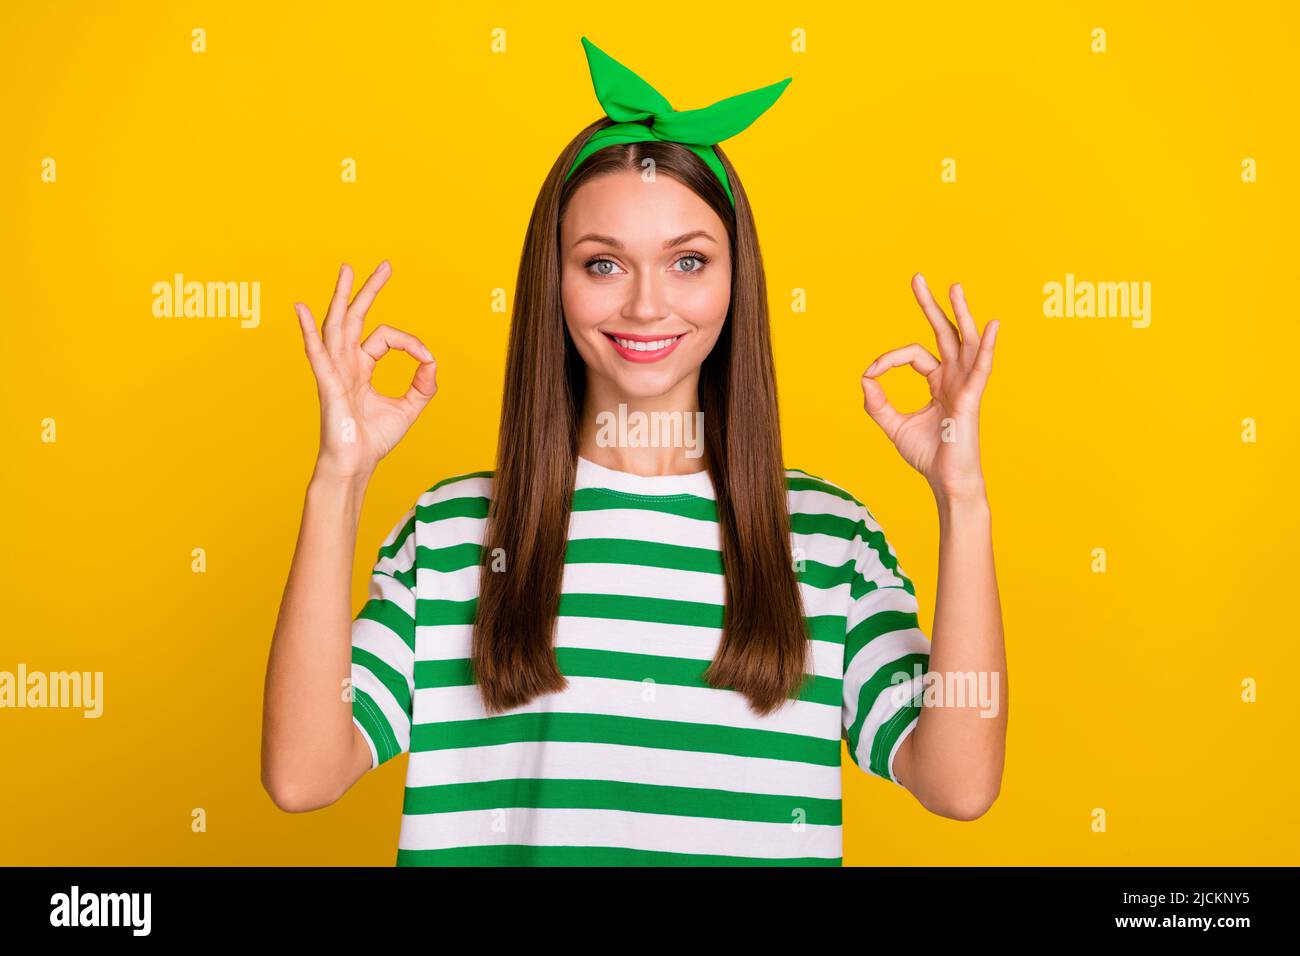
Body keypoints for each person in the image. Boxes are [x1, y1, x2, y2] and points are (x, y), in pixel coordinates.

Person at [261, 36, 1007, 866]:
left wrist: (962, 498)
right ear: (556, 280)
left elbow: (959, 785)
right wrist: (340, 479)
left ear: (737, 281)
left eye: (688, 261)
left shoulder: (829, 541)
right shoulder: (452, 536)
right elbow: (303, 775)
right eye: (604, 263)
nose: (647, 304)